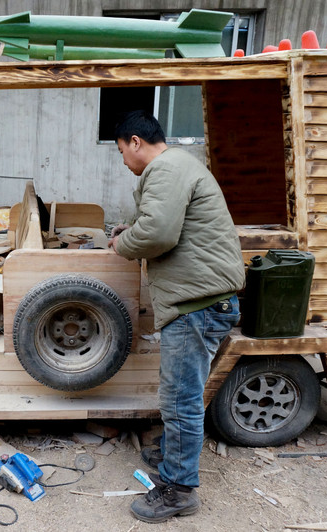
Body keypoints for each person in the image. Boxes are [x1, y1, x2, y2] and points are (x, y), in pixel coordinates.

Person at [108, 110, 245, 523]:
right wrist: (130, 230)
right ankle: (173, 452)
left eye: (121, 151)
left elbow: (159, 233)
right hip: (200, 299)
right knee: (181, 392)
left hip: (196, 304)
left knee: (180, 397)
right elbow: (163, 223)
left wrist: (122, 245)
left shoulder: (165, 168)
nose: (123, 161)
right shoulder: (178, 165)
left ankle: (178, 489)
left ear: (136, 142)